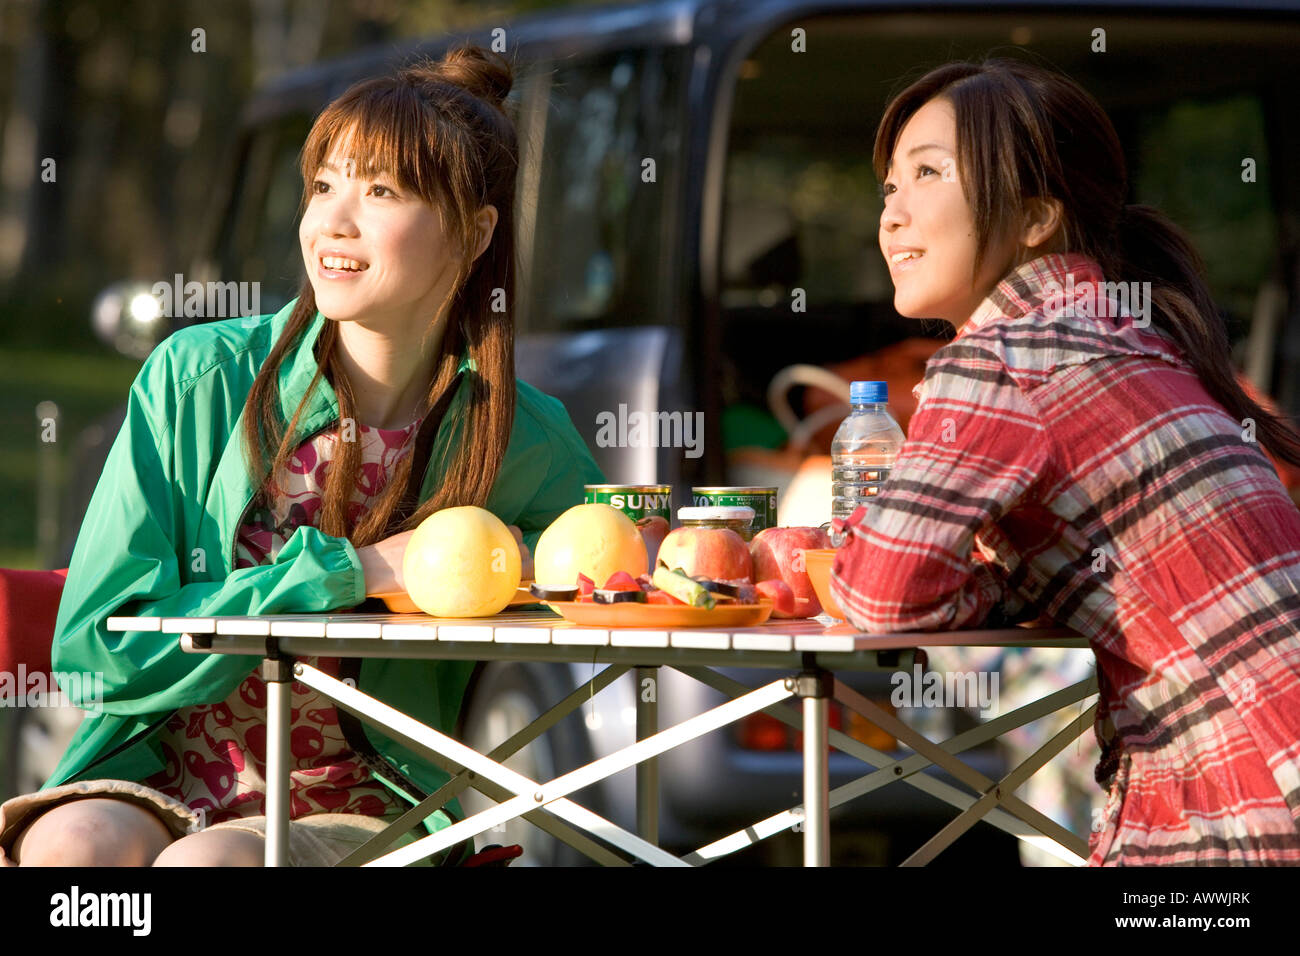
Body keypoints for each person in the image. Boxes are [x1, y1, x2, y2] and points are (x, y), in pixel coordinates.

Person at [0, 45, 603, 867]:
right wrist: (350, 572)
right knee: (71, 847)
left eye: (380, 191)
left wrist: (520, 568)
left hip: (364, 805)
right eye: (324, 185)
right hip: (155, 770)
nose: (332, 222)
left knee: (207, 865)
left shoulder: (519, 437)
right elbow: (93, 652)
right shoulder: (198, 379)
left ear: (473, 231)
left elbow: (614, 575)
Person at [830, 58, 1300, 865]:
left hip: (1241, 804)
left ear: (1035, 216)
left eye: (928, 174)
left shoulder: (1005, 360)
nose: (892, 214)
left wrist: (985, 580)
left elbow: (878, 595)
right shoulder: (1134, 334)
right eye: (888, 188)